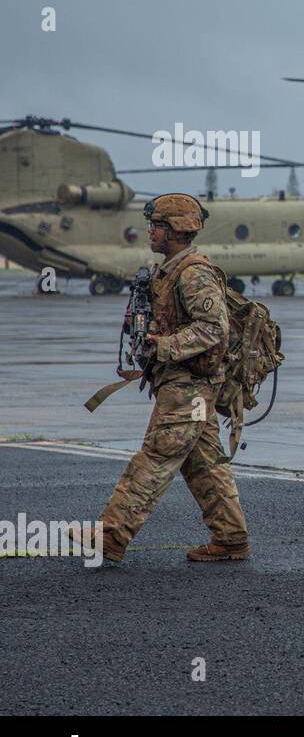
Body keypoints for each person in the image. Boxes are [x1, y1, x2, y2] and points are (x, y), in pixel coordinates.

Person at [80, 194, 250, 563]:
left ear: (175, 230)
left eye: (156, 226)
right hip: (184, 383)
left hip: (189, 384)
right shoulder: (169, 269)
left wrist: (166, 346)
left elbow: (213, 328)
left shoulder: (193, 272)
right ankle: (231, 539)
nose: (150, 232)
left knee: (156, 456)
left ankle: (109, 537)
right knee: (203, 463)